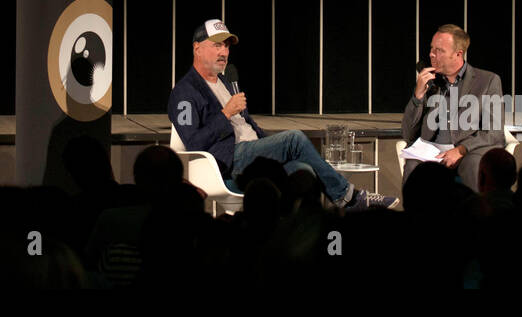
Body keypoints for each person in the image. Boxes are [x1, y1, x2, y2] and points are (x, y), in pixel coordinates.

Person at [169, 19, 397, 211]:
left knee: (303, 172)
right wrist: (226, 112)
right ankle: (350, 198)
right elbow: (192, 143)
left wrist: (268, 143)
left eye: (227, 46)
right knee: (294, 138)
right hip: (227, 162)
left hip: (252, 152)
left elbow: (247, 126)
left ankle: (297, 240)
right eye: (217, 45)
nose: (224, 52)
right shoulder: (185, 92)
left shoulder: (226, 81)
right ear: (197, 48)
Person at [402, 24, 505, 191]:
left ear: (458, 54)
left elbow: (494, 132)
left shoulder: (487, 81)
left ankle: (476, 214)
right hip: (432, 152)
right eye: (431, 48)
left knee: (473, 164)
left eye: (439, 50)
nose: (431, 54)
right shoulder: (429, 83)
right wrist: (418, 96)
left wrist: (461, 150)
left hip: (468, 151)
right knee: (413, 167)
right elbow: (408, 133)